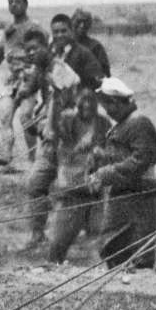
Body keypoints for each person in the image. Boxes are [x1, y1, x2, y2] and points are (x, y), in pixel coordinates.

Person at [19, 23, 102, 250]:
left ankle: (91, 233)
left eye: (35, 48)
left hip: (68, 139)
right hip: (50, 140)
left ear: (47, 46)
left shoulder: (61, 71)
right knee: (36, 183)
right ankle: (37, 234)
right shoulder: (40, 71)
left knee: (80, 186)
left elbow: (73, 106)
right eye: (27, 50)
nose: (31, 53)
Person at [91, 77, 156, 269]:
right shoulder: (121, 124)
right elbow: (121, 155)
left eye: (107, 106)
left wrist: (106, 173)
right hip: (121, 193)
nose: (106, 111)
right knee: (112, 243)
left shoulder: (139, 122)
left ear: (114, 103)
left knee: (138, 246)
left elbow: (142, 159)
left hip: (138, 194)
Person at [46, 90, 112, 264]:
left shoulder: (103, 124)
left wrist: (101, 154)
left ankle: (99, 272)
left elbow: (111, 150)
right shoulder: (68, 121)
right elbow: (52, 130)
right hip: (71, 194)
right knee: (58, 243)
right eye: (83, 101)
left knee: (97, 240)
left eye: (91, 101)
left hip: (94, 193)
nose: (87, 105)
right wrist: (53, 101)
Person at [0, 0, 44, 167]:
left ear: (26, 4)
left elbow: (44, 53)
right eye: (11, 2)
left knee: (26, 116)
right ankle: (6, 154)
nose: (14, 5)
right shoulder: (7, 31)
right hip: (9, 80)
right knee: (4, 116)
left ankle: (32, 158)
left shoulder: (35, 28)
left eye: (18, 1)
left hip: (29, 78)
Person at [71, 8, 111, 78]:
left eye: (85, 22)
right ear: (72, 23)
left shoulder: (96, 46)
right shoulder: (64, 44)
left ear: (89, 25)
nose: (82, 25)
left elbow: (105, 72)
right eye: (79, 21)